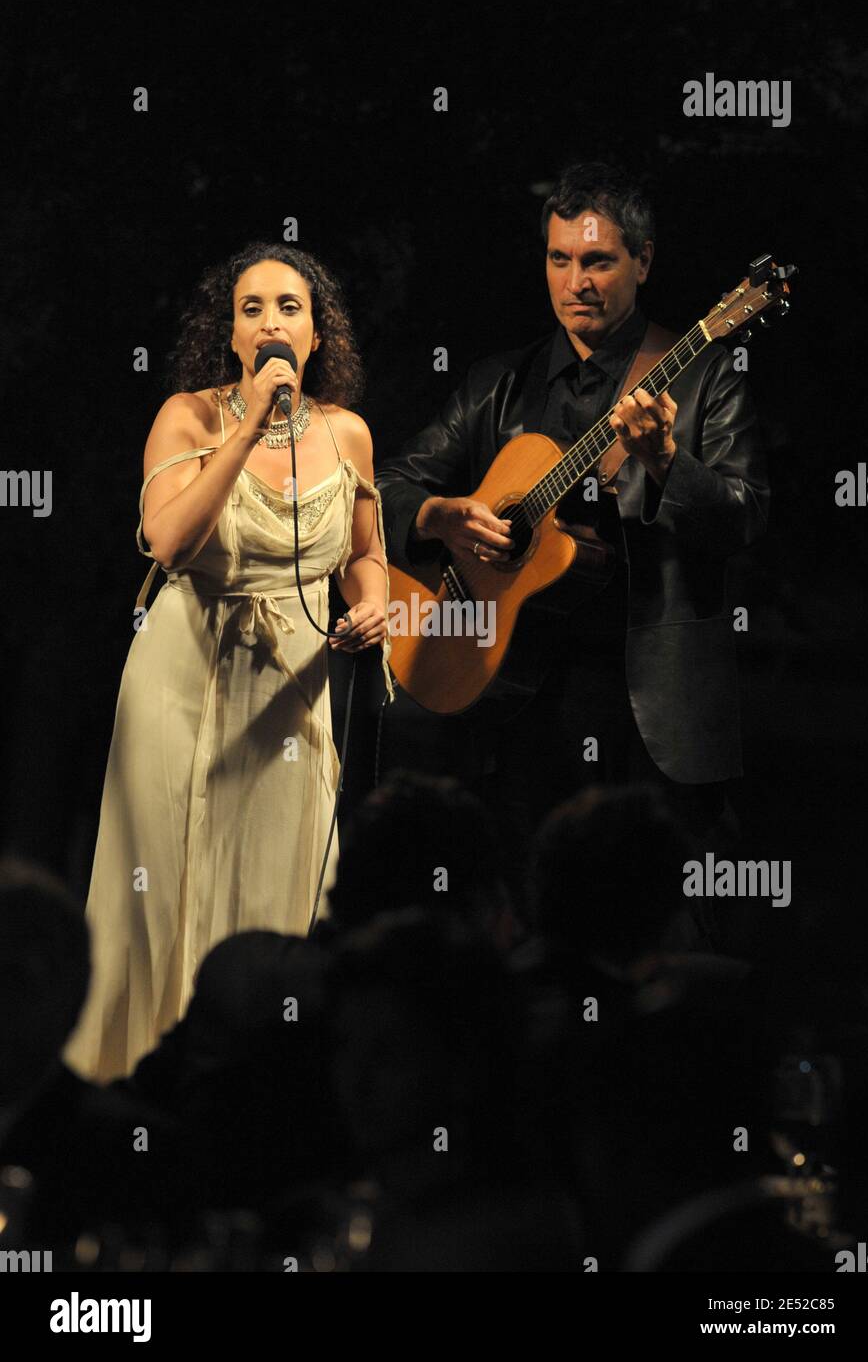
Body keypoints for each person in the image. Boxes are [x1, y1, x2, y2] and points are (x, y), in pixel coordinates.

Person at [376, 160, 769, 880]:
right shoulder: (498, 383)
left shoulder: (704, 373)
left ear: (642, 261)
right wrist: (438, 517)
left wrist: (663, 464)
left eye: (597, 261)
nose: (575, 281)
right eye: (559, 259)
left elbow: (743, 520)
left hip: (653, 713)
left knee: (655, 928)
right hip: (511, 706)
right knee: (527, 922)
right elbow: (387, 487)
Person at [61, 242, 394, 1084]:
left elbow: (366, 555)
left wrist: (373, 599)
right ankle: (133, 1096)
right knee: (158, 892)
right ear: (231, 333)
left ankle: (254, 1100)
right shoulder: (188, 416)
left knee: (274, 894)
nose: (271, 322)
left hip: (292, 692)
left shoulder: (346, 432)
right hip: (182, 674)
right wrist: (246, 425)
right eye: (252, 309)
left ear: (317, 335)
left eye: (289, 307)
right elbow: (170, 542)